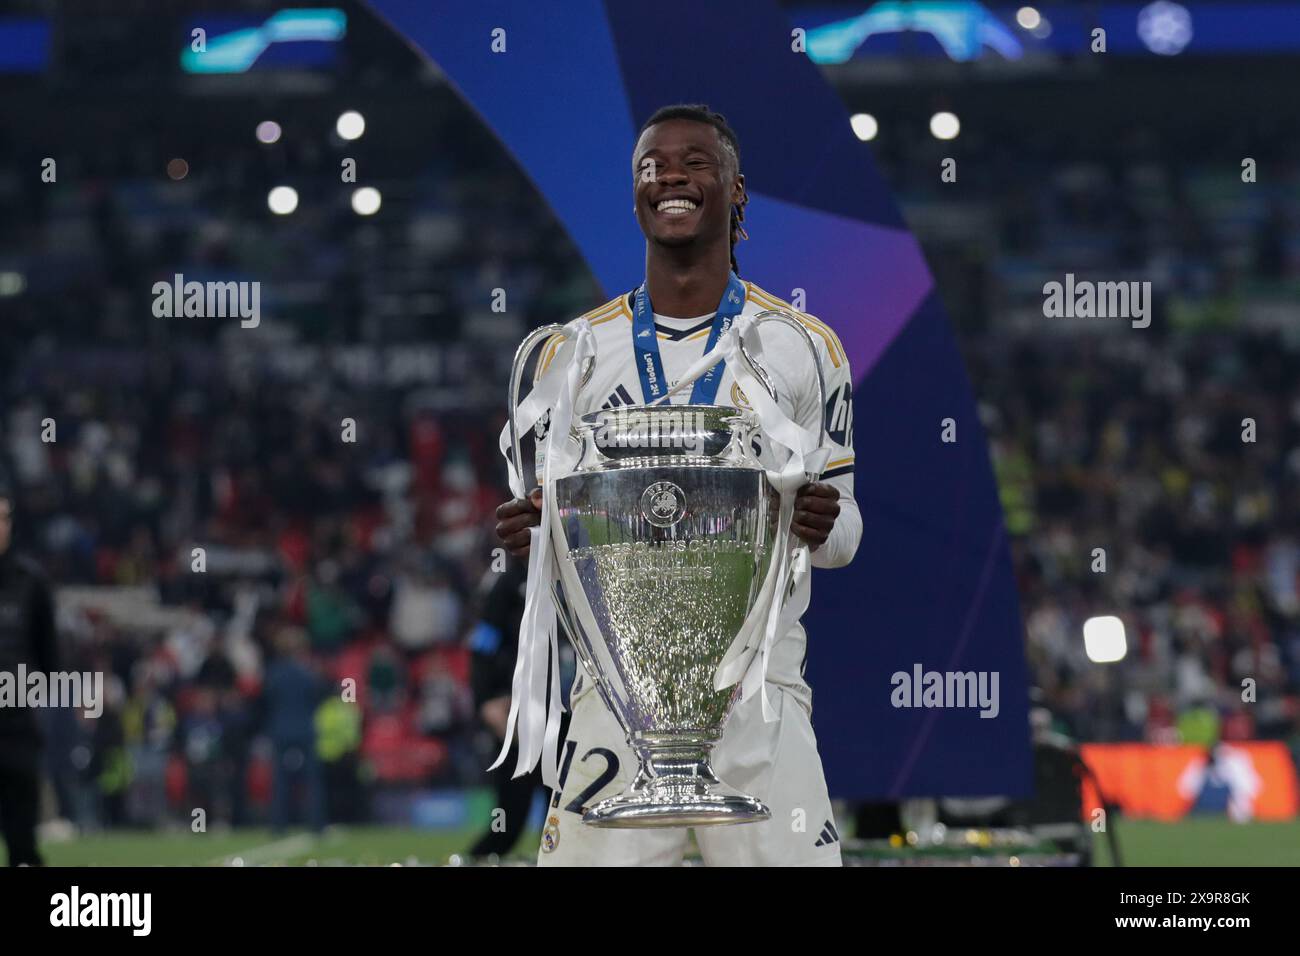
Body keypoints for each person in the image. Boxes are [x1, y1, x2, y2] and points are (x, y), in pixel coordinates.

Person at [495, 104, 861, 866]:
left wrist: (825, 523)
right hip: (615, 706)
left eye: (694, 161)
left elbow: (843, 543)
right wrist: (537, 532)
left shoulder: (802, 347)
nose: (669, 174)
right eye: (651, 165)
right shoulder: (574, 355)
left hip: (757, 705)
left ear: (736, 190)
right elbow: (564, 539)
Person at [0, 485, 59, 865]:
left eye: (2, 518)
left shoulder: (31, 583)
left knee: (23, 841)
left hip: (16, 728)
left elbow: (49, 658)